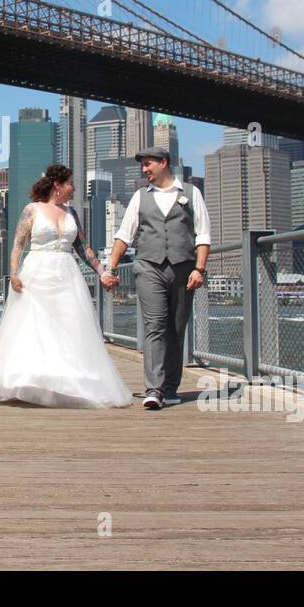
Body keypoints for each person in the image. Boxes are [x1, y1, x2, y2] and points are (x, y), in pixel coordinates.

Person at [0, 164, 131, 409]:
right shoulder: (32, 210)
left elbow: (84, 248)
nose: (74, 188)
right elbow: (18, 245)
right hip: (36, 272)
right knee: (34, 325)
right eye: (71, 183)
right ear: (57, 185)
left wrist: (103, 273)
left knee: (68, 325)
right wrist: (14, 274)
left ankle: (66, 382)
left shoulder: (71, 213)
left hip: (66, 273)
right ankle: (29, 378)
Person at [101, 147, 211, 410]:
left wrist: (199, 269)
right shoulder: (140, 197)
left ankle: (170, 387)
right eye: (142, 165)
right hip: (149, 267)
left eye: (148, 164)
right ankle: (153, 389)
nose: (144, 169)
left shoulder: (192, 193)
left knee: (176, 327)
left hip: (184, 269)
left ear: (164, 163)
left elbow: (203, 235)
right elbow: (124, 236)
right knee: (155, 325)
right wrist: (112, 269)